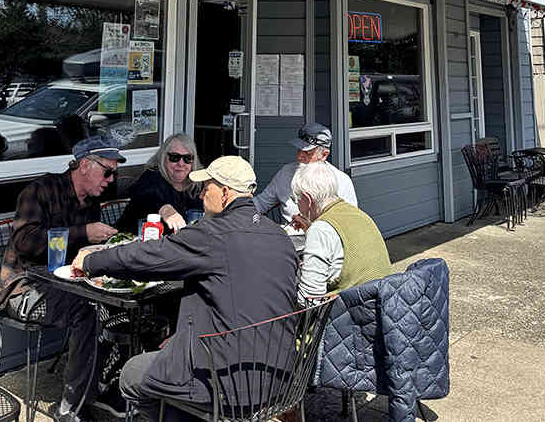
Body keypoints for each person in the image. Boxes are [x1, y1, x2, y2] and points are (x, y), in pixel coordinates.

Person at [72, 155, 299, 421]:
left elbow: (150, 256)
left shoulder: (213, 233)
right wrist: (186, 336)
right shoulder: (279, 236)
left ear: (225, 193)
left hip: (229, 383)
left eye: (206, 187)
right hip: (282, 378)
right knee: (169, 353)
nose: (201, 194)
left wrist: (91, 261)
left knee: (132, 374)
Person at [0, 136, 124, 422]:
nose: (111, 180)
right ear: (84, 165)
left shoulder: (91, 200)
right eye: (107, 172)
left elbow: (81, 253)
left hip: (67, 284)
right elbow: (25, 241)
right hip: (23, 288)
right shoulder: (40, 190)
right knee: (89, 311)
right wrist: (83, 233)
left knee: (120, 303)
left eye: (114, 174)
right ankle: (71, 408)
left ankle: (102, 385)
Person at [292, 162, 391, 305]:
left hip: (353, 313)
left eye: (297, 199)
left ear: (308, 199)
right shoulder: (357, 213)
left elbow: (309, 298)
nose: (297, 204)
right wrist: (309, 229)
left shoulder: (320, 230)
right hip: (383, 304)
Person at [253, 123, 357, 230]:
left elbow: (351, 222)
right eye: (299, 149)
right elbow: (260, 203)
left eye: (307, 152)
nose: (299, 156)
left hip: (325, 238)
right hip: (288, 237)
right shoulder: (286, 173)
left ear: (324, 155)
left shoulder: (342, 181)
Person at [117, 133, 202, 234]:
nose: (181, 163)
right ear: (163, 158)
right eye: (174, 157)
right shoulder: (152, 175)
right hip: (131, 238)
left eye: (187, 158)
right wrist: (165, 209)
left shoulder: (197, 183)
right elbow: (148, 194)